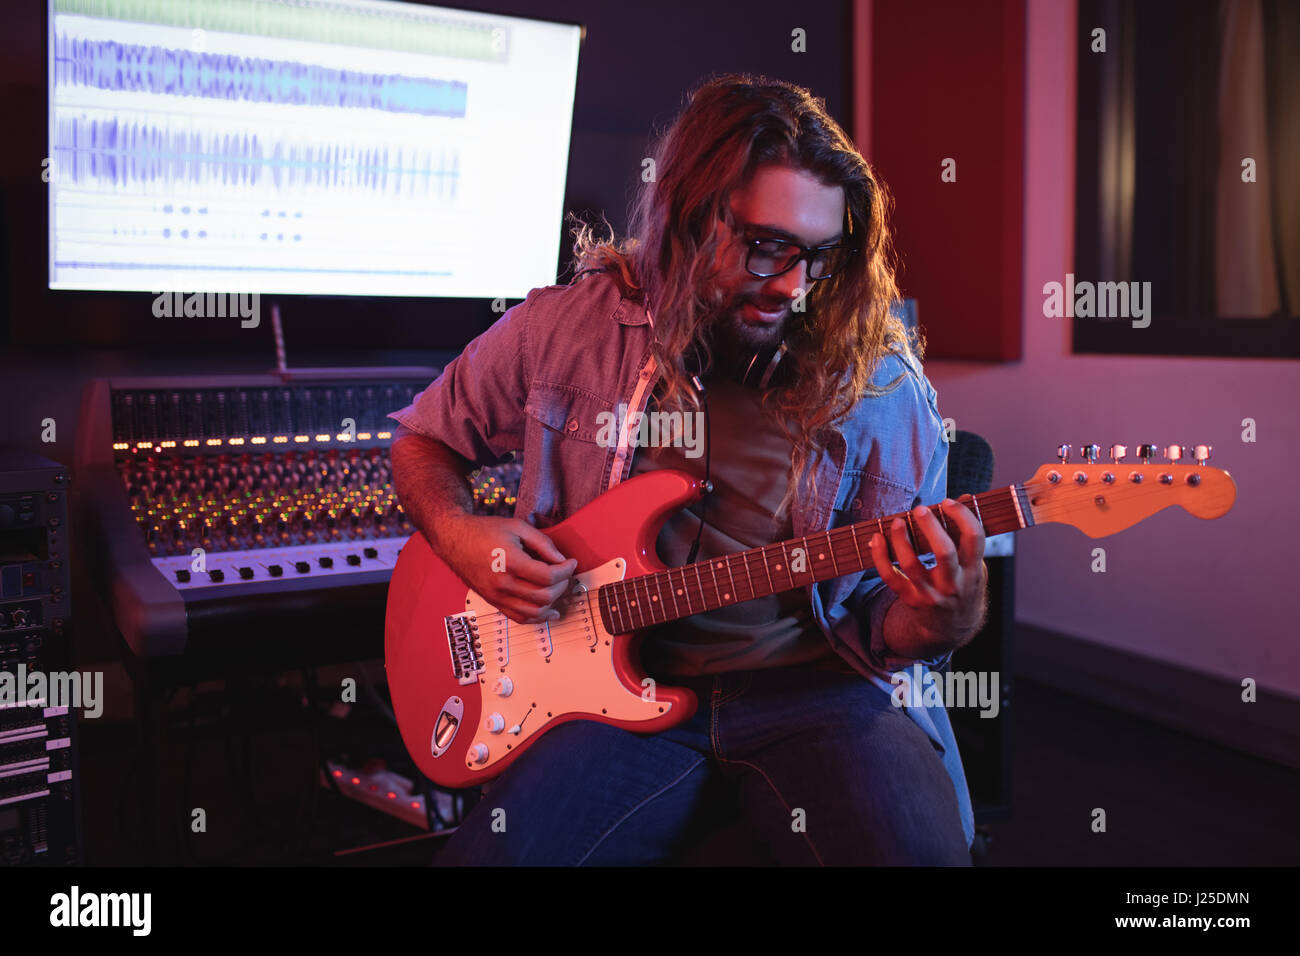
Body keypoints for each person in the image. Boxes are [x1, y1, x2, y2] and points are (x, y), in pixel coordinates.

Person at [388, 73, 988, 866]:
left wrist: (947, 613)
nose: (793, 287)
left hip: (818, 695)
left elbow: (889, 624)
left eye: (820, 256)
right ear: (689, 211)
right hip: (602, 698)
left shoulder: (882, 387)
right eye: (767, 246)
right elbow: (423, 440)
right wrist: (463, 535)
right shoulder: (565, 329)